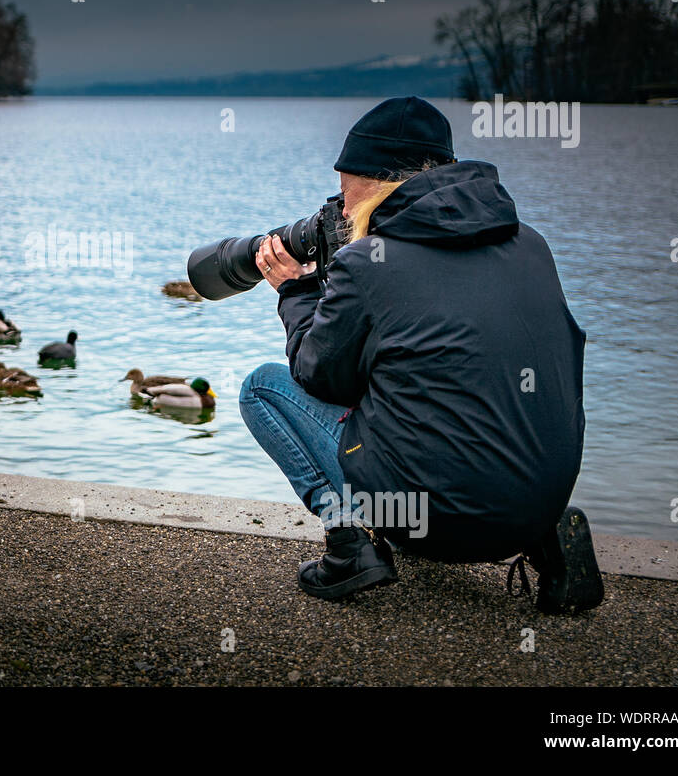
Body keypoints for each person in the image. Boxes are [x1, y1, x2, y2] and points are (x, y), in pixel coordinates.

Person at [238, 96, 604, 613]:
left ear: (379, 184)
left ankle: (350, 546)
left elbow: (317, 376)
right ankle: (545, 535)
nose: (340, 209)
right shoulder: (533, 244)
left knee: (262, 387)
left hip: (430, 524)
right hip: (542, 498)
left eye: (346, 193)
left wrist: (296, 292)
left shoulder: (367, 263)